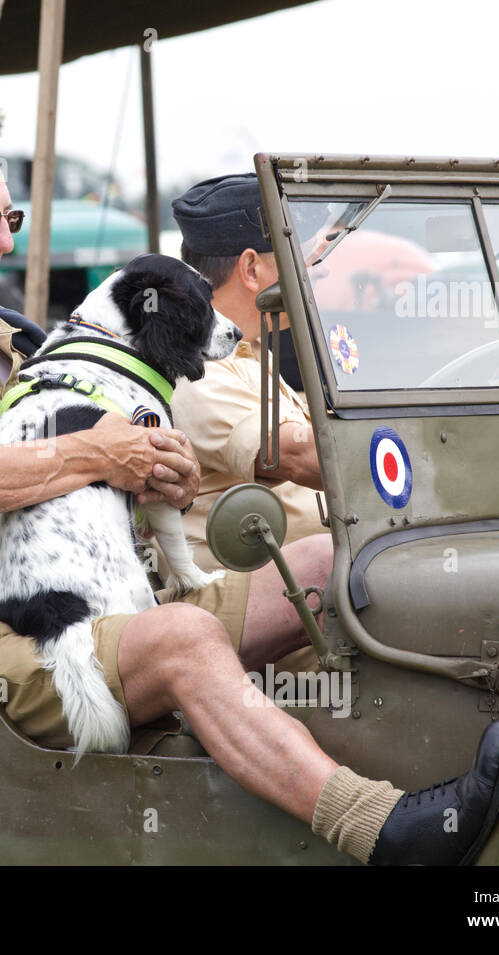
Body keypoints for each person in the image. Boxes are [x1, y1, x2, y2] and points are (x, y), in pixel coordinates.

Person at [0, 136, 499, 865]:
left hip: (119, 595)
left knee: (330, 563)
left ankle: (425, 761)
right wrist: (95, 452)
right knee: (187, 643)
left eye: (11, 217)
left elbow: (82, 470)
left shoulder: (7, 340)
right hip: (6, 634)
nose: (2, 238)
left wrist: (163, 474)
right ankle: (381, 826)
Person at [168, 174, 327, 651]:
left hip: (307, 596)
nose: (310, 275)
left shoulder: (252, 353)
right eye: (298, 260)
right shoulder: (197, 370)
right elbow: (300, 459)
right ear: (252, 269)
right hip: (248, 615)